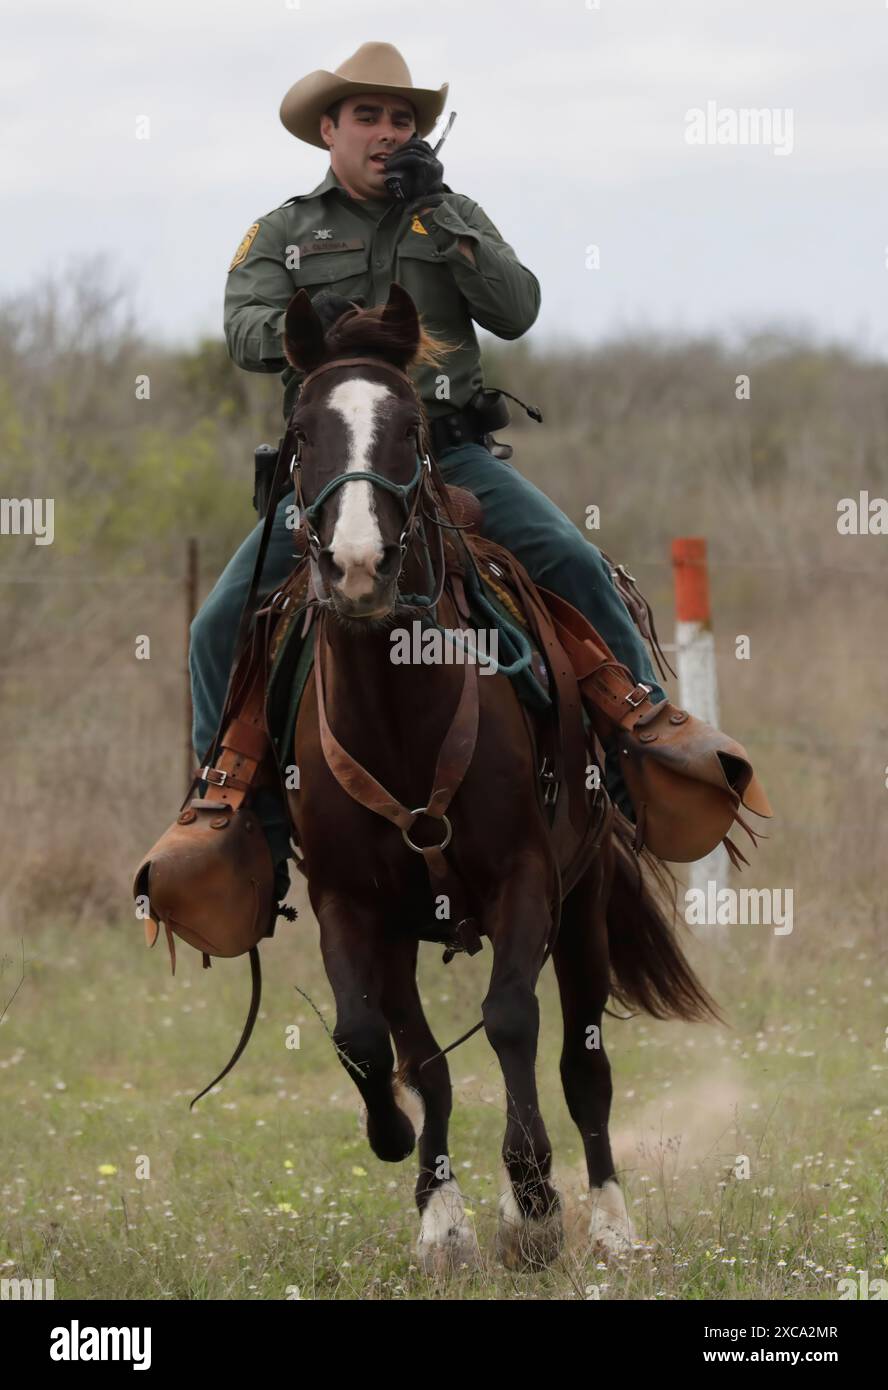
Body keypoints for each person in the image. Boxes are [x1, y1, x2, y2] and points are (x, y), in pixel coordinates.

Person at [190, 41, 667, 902]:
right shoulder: (283, 231)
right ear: (328, 129)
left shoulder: (454, 214)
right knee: (218, 623)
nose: (384, 132)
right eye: (366, 116)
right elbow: (243, 330)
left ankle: (650, 747)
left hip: (450, 457)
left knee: (570, 559)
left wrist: (442, 216)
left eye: (401, 118)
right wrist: (309, 320)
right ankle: (232, 816)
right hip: (337, 472)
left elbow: (517, 310)